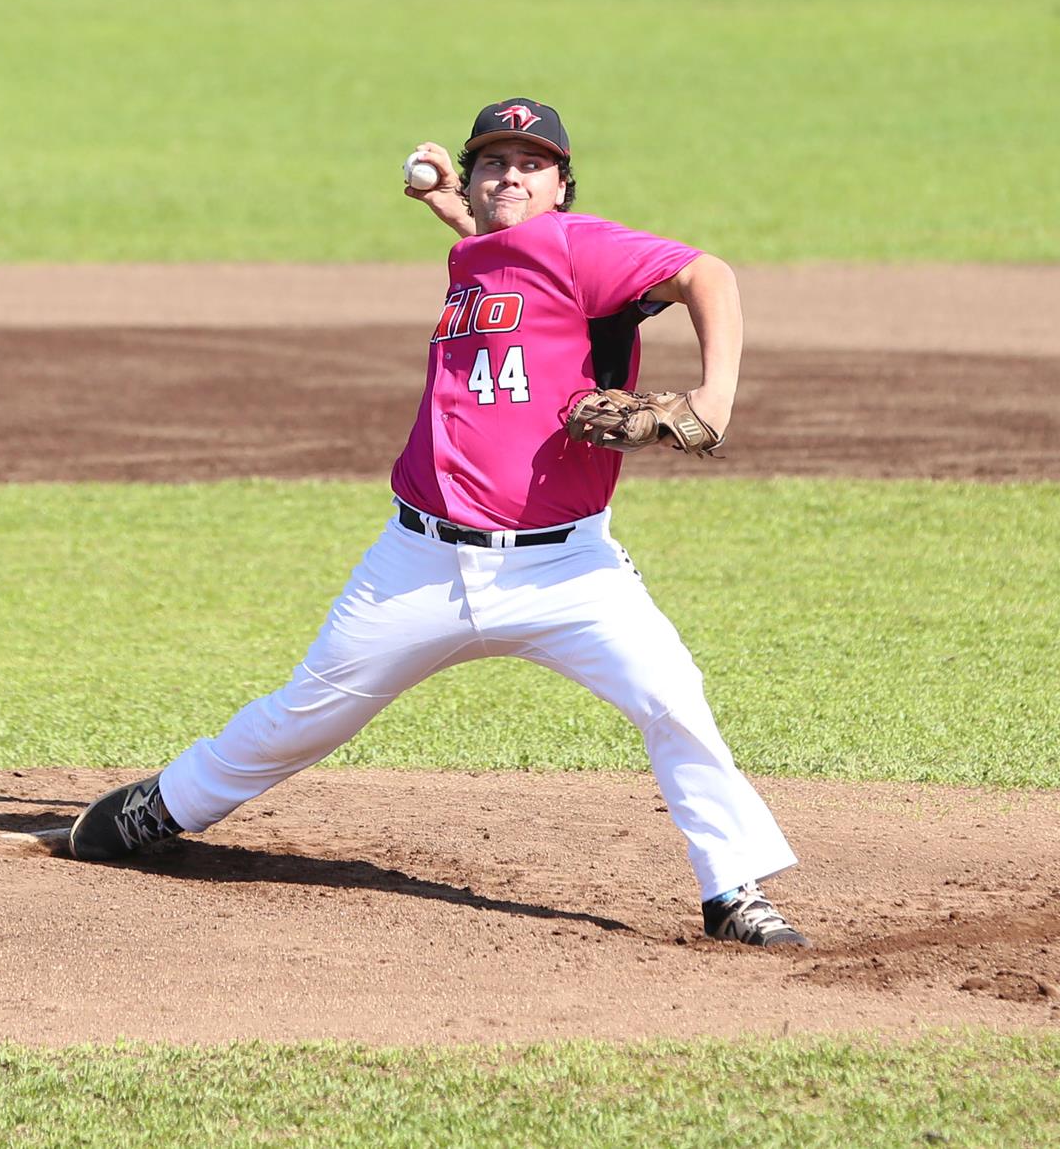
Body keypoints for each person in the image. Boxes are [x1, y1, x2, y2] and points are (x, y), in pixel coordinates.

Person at [68, 97, 806, 947]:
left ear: (563, 185)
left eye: (531, 164)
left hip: (567, 572)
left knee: (672, 698)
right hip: (417, 564)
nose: (511, 176)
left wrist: (715, 397)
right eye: (494, 161)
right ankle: (167, 805)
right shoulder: (479, 254)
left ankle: (732, 890)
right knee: (304, 714)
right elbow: (502, 255)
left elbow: (709, 275)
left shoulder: (581, 246)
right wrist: (455, 208)